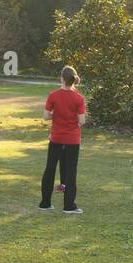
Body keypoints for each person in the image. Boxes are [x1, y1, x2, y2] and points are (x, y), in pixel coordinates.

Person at [39, 66, 87, 214]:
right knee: (71, 171)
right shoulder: (78, 98)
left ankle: (45, 203)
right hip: (72, 139)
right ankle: (69, 206)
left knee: (50, 169)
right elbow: (82, 120)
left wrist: (57, 115)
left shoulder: (53, 95)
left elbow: (46, 116)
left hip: (56, 137)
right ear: (74, 80)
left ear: (61, 78)